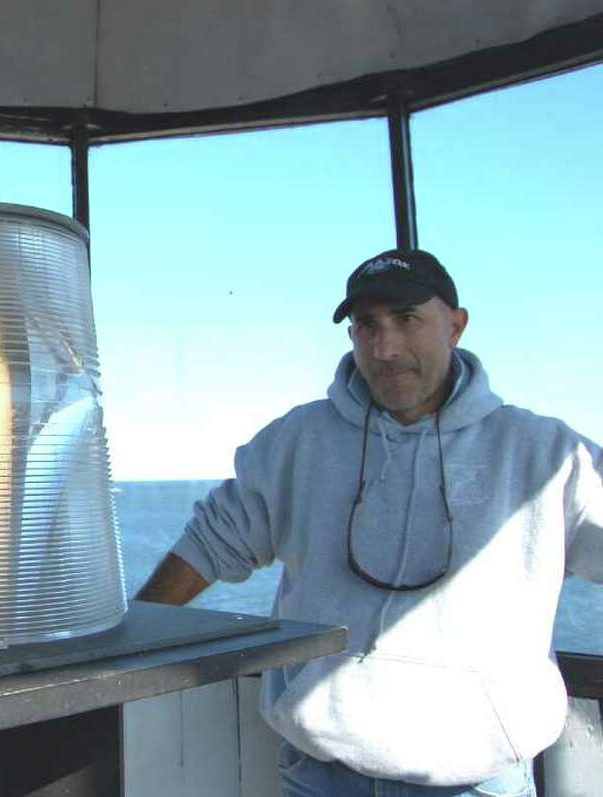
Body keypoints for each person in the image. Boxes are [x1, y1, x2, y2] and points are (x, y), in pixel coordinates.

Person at [137, 249, 603, 796]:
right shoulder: (297, 442)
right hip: (319, 775)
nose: (385, 347)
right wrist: (121, 645)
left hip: (477, 781)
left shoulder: (545, 454)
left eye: (407, 320)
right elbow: (210, 543)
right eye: (366, 325)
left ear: (455, 326)